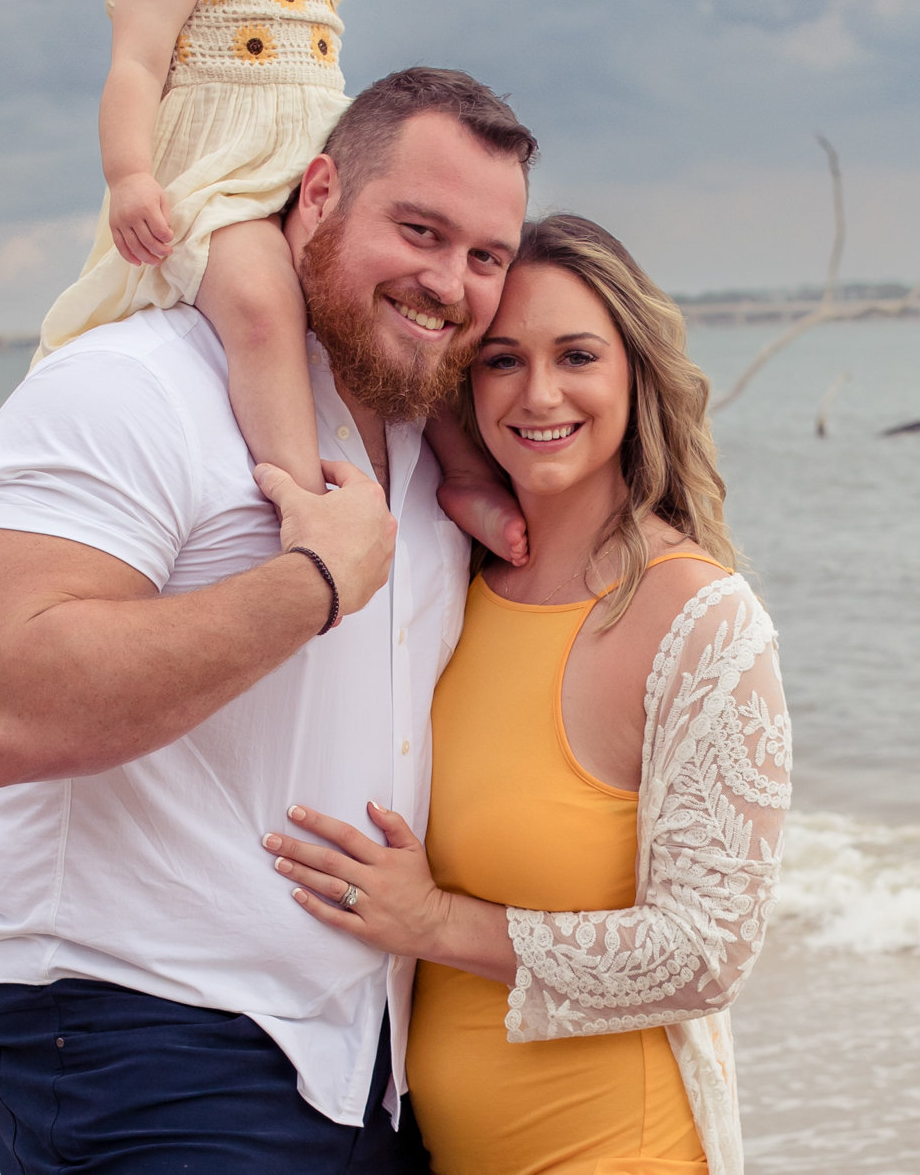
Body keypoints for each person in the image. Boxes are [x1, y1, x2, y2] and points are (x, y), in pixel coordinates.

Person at [0, 69, 536, 1173]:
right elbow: (2, 702)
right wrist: (310, 579)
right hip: (142, 1026)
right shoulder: (130, 386)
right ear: (314, 194)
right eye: (418, 228)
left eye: (484, 255)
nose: (447, 280)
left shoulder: (426, 451)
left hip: (367, 1056)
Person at [264, 213, 792, 1174]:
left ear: (636, 371)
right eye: (502, 359)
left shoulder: (700, 619)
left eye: (577, 355)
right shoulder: (442, 582)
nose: (539, 392)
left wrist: (434, 923)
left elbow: (709, 950)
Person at [34, 0, 527, 566]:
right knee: (262, 307)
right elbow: (135, 64)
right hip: (223, 183)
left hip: (311, 178)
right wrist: (129, 177)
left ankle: (462, 473)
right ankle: (304, 499)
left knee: (422, 311)